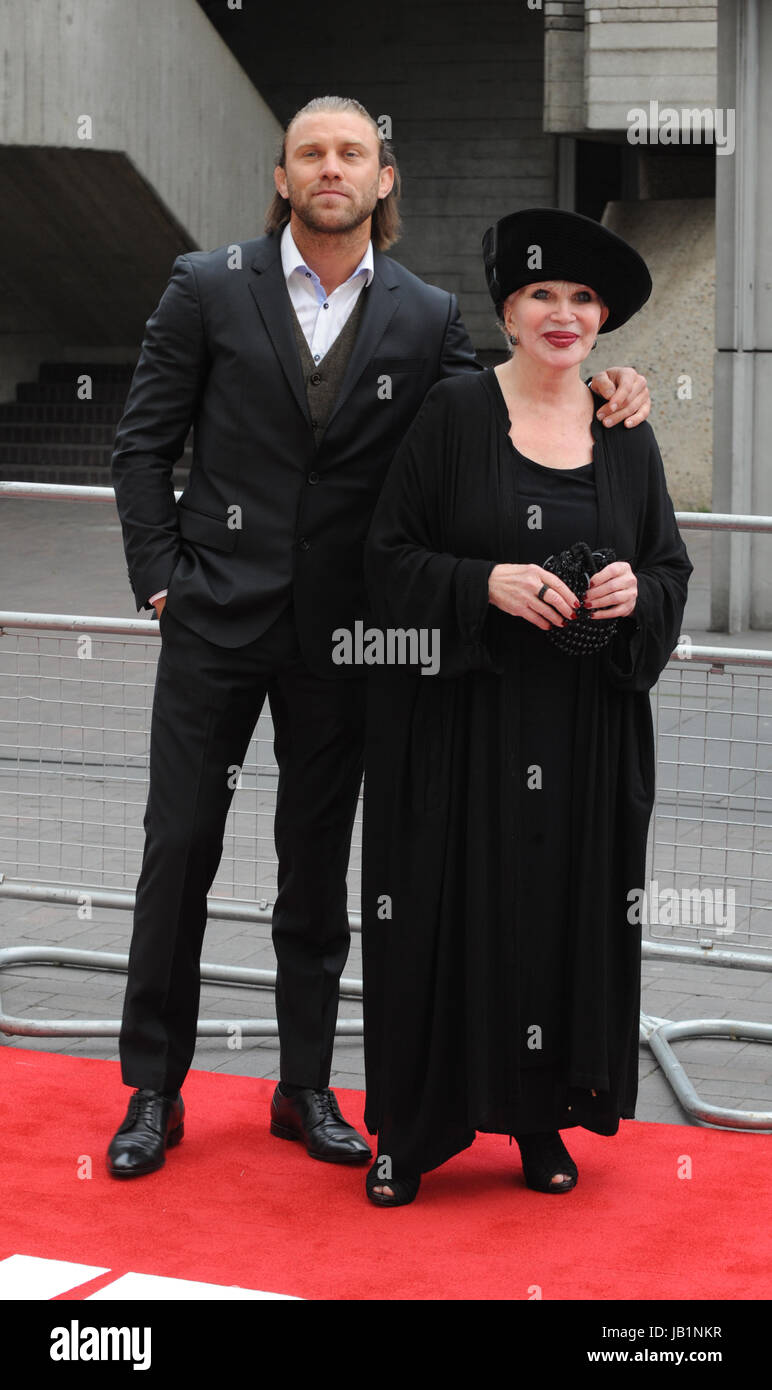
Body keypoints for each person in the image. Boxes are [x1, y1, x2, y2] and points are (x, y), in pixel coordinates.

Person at [107, 96, 651, 1178]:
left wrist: (597, 379)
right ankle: (153, 1090)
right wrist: (162, 580)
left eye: (351, 152)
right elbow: (141, 444)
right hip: (214, 620)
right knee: (179, 852)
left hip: (348, 640)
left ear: (383, 178)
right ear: (283, 173)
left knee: (317, 867)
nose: (331, 168)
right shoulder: (205, 285)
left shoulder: (426, 310)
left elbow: (497, 404)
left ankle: (303, 1085)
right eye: (311, 152)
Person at [361, 207, 692, 1205]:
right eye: (542, 294)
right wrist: (483, 584)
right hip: (459, 728)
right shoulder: (453, 414)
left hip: (581, 733)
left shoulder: (624, 428)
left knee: (557, 923)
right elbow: (383, 562)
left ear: (601, 323)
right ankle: (407, 1135)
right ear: (506, 309)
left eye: (582, 299)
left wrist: (641, 592)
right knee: (433, 919)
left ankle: (540, 1119)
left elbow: (669, 564)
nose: (563, 314)